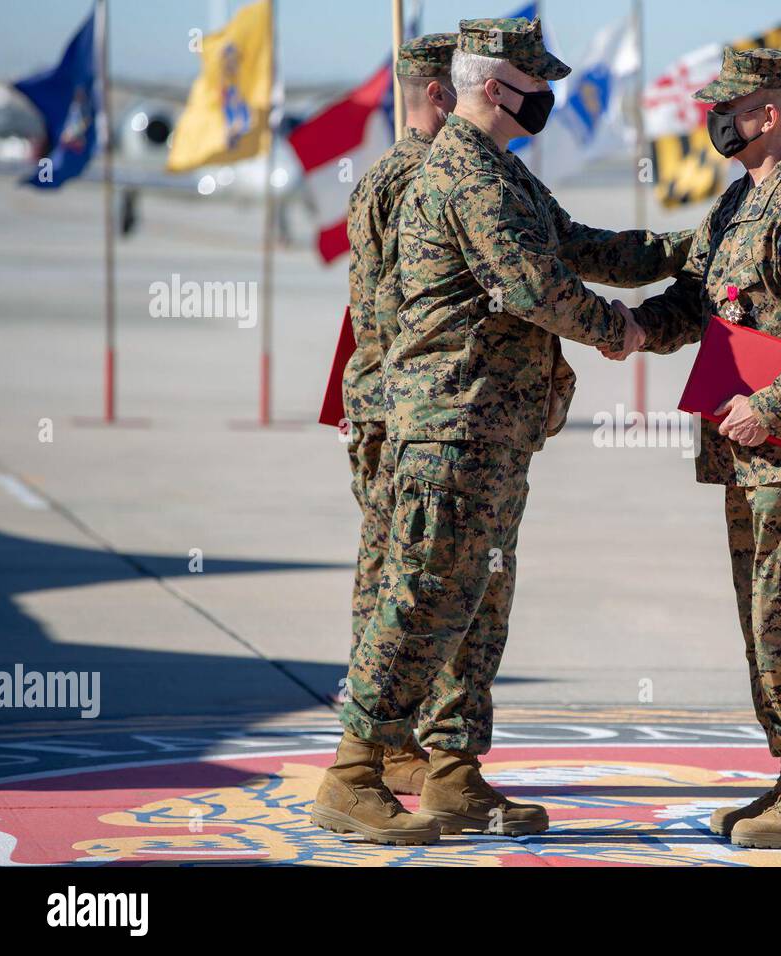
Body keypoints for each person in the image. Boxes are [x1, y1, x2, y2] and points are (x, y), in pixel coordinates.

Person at [311, 16, 692, 845]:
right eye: (534, 85)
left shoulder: (501, 174)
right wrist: (619, 331)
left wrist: (690, 251)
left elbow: (579, 246)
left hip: (493, 433)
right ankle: (353, 772)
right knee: (423, 596)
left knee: (475, 605)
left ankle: (453, 776)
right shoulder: (465, 175)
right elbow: (535, 287)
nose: (548, 99)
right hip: (450, 423)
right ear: (492, 87)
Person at [623, 48, 781, 849]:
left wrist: (772, 405)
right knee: (766, 616)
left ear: (769, 114)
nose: (716, 121)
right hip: (757, 460)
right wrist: (632, 330)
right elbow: (697, 299)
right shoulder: (741, 203)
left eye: (730, 109)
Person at [339, 34, 458, 801]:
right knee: (414, 580)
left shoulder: (384, 175)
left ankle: (387, 743)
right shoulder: (423, 178)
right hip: (406, 405)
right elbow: (397, 307)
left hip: (379, 400)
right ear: (441, 96)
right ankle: (386, 746)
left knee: (386, 572)